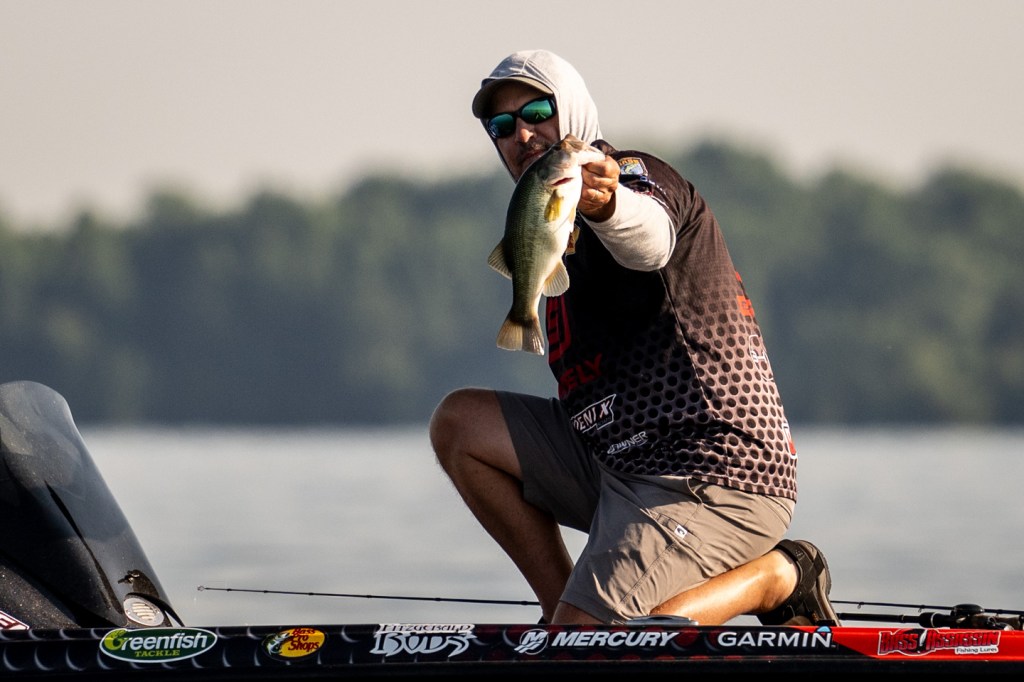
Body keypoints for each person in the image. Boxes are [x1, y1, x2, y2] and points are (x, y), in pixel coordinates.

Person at [429, 49, 839, 627]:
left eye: (538, 112)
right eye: (502, 125)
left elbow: (650, 240)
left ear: (573, 110)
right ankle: (562, 617)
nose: (521, 133)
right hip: (615, 464)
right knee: (460, 424)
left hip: (712, 469)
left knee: (593, 638)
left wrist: (607, 204)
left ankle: (780, 575)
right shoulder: (547, 219)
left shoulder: (633, 175)